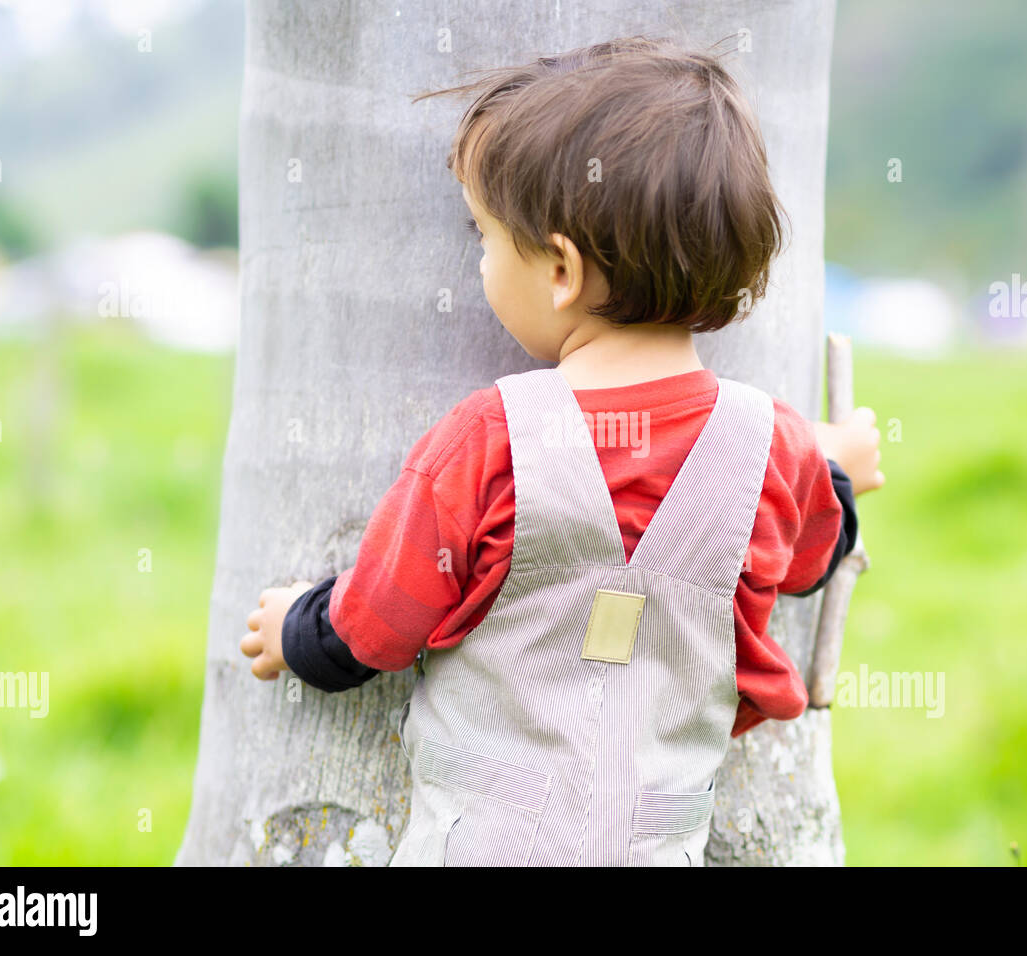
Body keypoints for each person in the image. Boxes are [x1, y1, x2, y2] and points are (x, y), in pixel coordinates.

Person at [239, 35, 884, 866]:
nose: (478, 261)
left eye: (484, 237)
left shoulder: (490, 437)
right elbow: (813, 554)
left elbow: (382, 619)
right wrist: (838, 469)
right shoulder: (771, 449)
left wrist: (296, 629)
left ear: (560, 272)